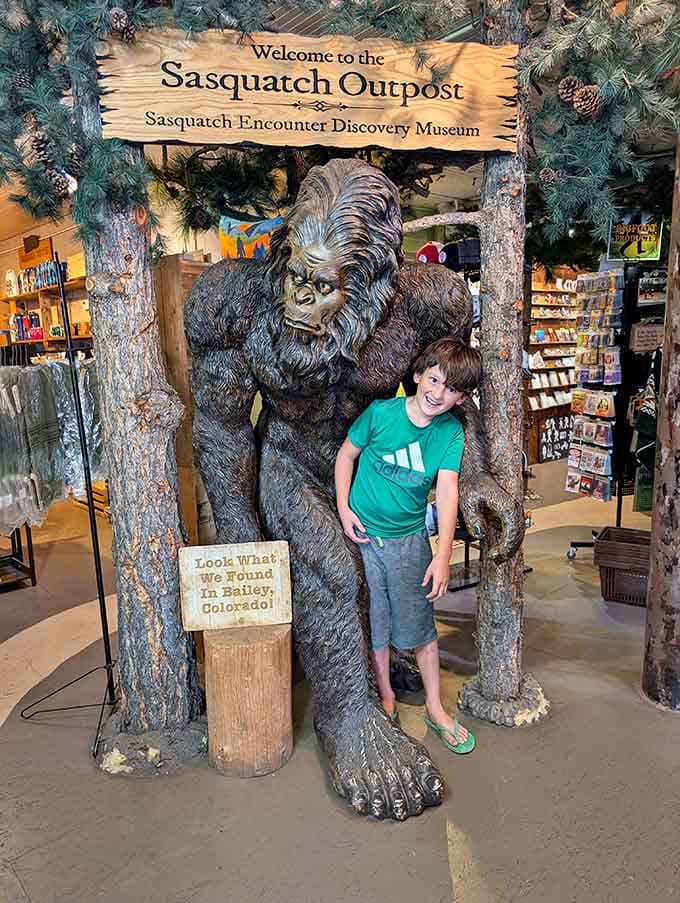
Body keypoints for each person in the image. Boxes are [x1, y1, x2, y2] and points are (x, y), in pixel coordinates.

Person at [334, 337, 481, 755]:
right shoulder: (381, 414)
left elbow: (448, 490)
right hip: (362, 537)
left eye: (452, 389)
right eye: (434, 380)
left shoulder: (450, 433)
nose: (439, 393)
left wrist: (443, 552)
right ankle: (386, 695)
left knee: (419, 625)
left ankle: (435, 707)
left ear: (461, 397)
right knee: (376, 623)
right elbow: (347, 456)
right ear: (418, 375)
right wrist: (344, 508)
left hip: (409, 541)